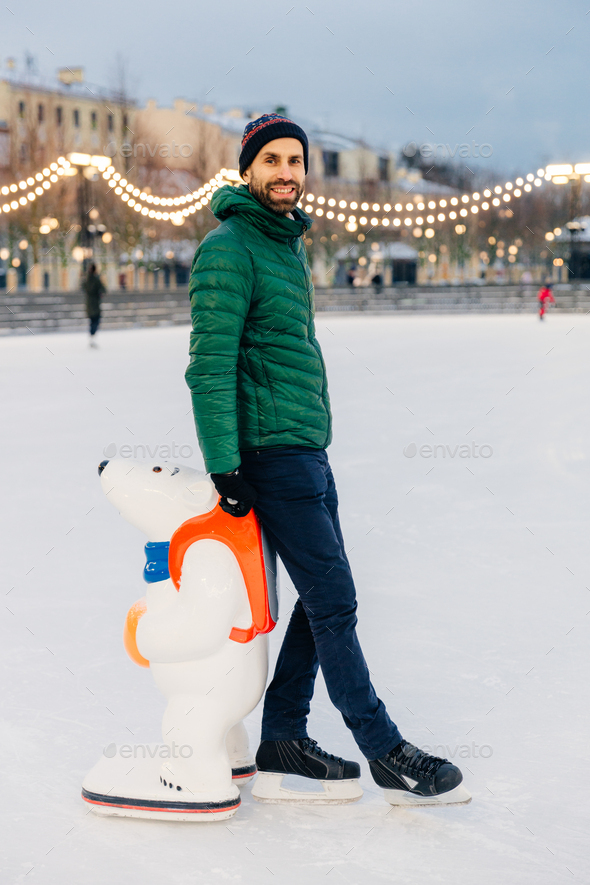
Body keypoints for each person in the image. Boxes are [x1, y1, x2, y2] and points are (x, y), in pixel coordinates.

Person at [185, 113, 469, 807]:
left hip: (306, 449)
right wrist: (225, 464)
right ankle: (385, 749)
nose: (288, 171)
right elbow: (209, 366)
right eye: (273, 160)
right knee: (335, 600)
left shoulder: (282, 245)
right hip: (269, 455)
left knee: (324, 601)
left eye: (296, 160)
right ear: (248, 169)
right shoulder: (229, 248)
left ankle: (282, 735)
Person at [83, 263, 106, 347]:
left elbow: (83, 287)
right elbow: (103, 289)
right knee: (95, 320)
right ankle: (92, 336)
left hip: (89, 304)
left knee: (92, 321)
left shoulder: (87, 279)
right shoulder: (96, 279)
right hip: (95, 304)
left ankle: (91, 337)